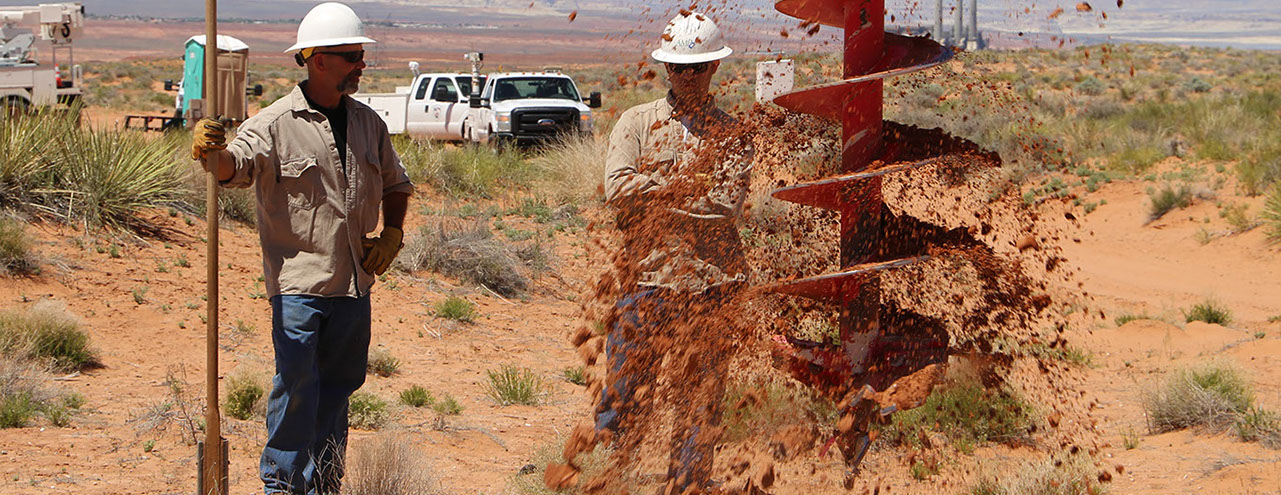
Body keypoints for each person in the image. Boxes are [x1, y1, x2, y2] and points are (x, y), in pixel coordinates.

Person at [189, 2, 412, 493]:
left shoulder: (368, 124)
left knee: (337, 393)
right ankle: (284, 486)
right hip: (299, 289)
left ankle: (325, 485)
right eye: (352, 55)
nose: (361, 64)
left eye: (360, 55)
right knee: (296, 391)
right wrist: (214, 154)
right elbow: (234, 170)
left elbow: (397, 184)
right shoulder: (272, 124)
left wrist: (392, 234)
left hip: (354, 287)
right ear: (317, 61)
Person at [598, 11, 751, 494]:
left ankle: (687, 487)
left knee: (699, 403)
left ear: (715, 69)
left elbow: (725, 206)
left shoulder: (734, 133)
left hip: (714, 287)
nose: (688, 76)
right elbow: (617, 187)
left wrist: (659, 194)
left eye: (698, 67)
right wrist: (687, 190)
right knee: (622, 396)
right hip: (647, 282)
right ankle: (607, 479)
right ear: (666, 69)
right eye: (680, 67)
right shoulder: (635, 121)